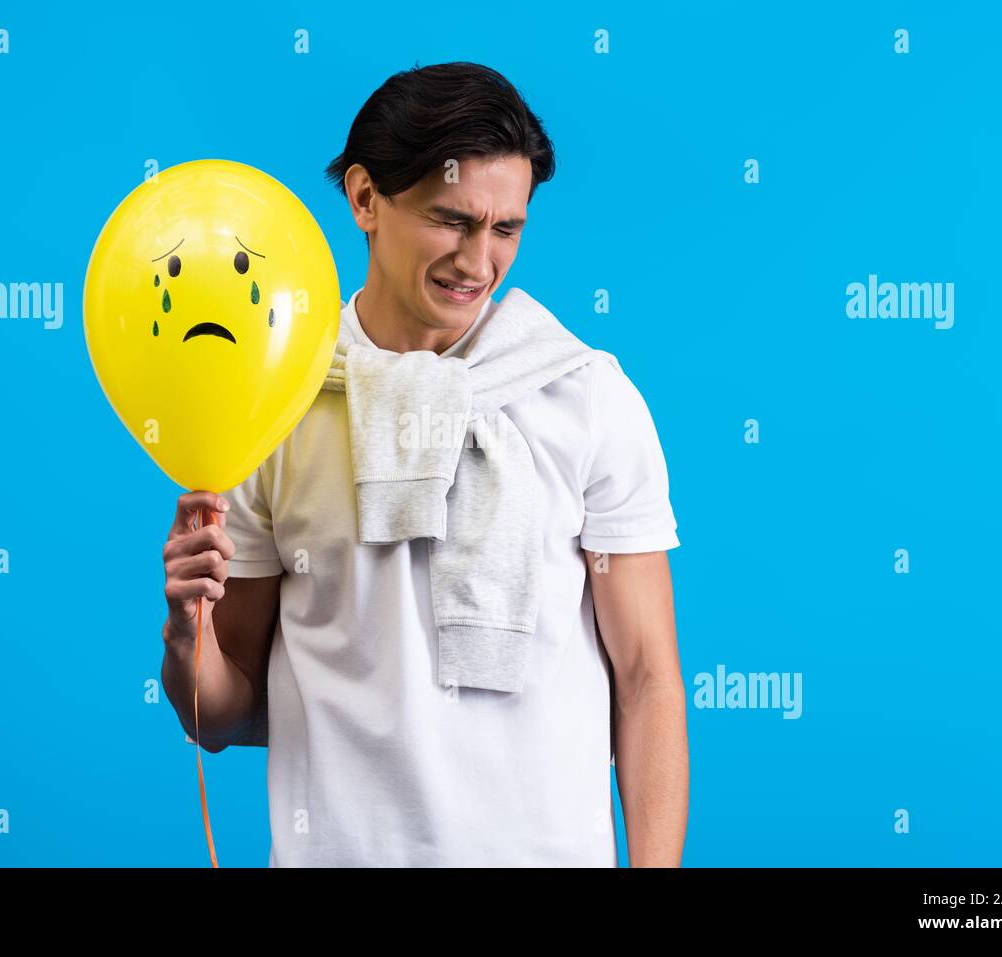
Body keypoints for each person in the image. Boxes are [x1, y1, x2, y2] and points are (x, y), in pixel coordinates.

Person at [159, 61, 687, 867]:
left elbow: (648, 678)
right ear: (366, 199)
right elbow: (224, 712)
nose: (479, 261)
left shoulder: (586, 397)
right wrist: (183, 631)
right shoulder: (276, 410)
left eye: (506, 228)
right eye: (453, 221)